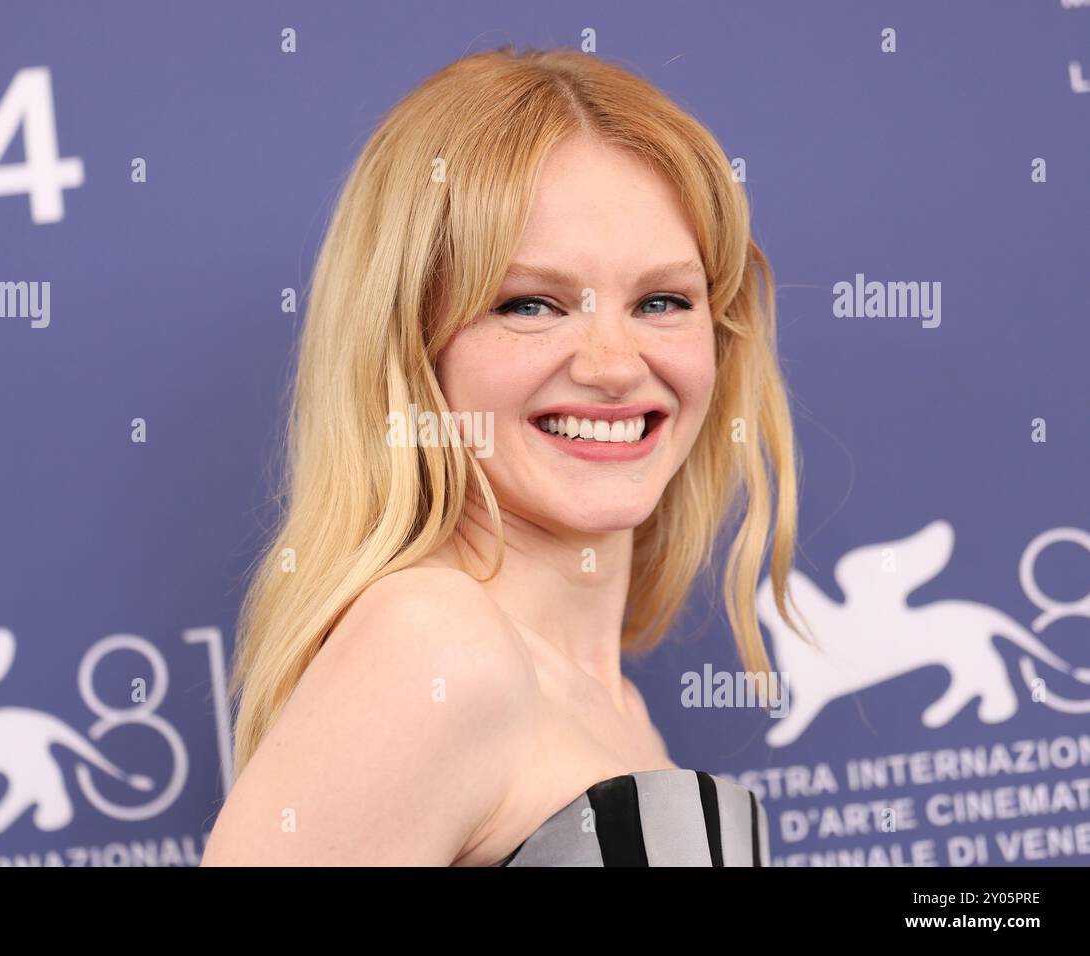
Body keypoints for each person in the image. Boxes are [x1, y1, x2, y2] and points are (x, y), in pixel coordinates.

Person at [202, 45, 810, 866]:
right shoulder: (433, 648)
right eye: (531, 304)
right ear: (415, 349)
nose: (613, 364)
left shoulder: (615, 703)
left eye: (662, 301)